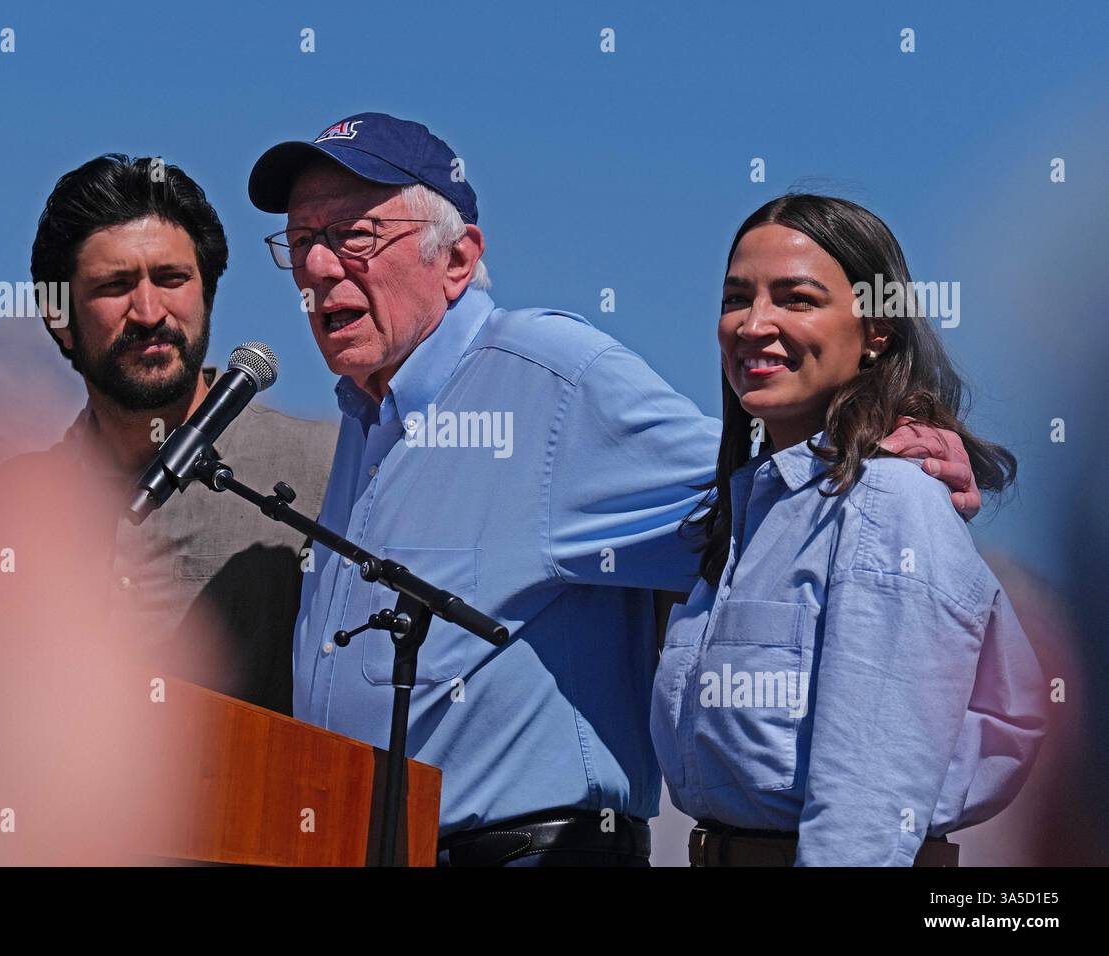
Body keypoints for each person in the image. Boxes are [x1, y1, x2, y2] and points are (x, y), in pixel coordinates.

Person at [246, 113, 980, 866]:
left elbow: (766, 495)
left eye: (354, 235)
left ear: (458, 258)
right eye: (301, 242)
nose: (321, 268)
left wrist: (883, 451)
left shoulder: (553, 379)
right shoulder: (364, 417)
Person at [650, 194, 1047, 866]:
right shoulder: (751, 509)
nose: (754, 323)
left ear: (877, 331)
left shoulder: (887, 500)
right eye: (737, 297)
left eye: (797, 298)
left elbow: (870, 792)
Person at [13, 154, 337, 710]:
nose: (148, 311)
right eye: (115, 285)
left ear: (206, 297)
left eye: (171, 279)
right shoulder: (10, 508)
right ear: (59, 319)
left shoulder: (326, 470)